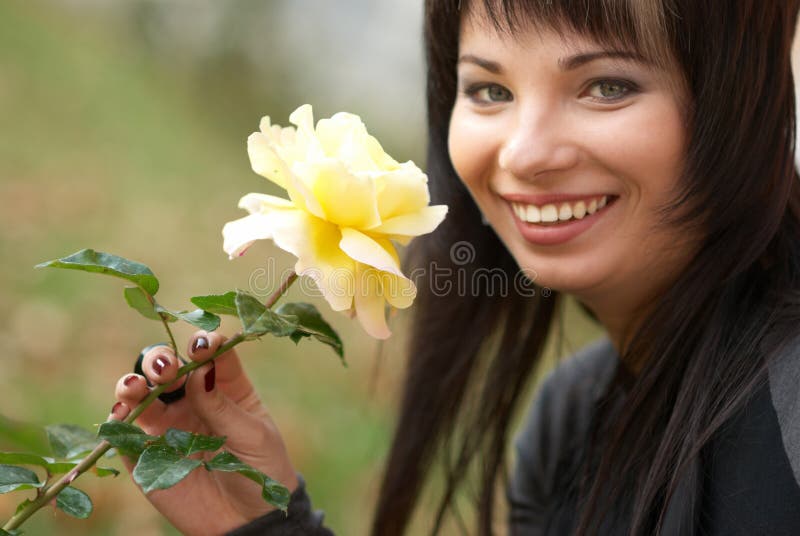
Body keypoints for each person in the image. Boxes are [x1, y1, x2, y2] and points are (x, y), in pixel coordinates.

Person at [109, 0, 800, 534]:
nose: (524, 154)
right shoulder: (569, 422)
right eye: (489, 91)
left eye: (607, 85)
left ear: (739, 101)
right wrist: (263, 524)